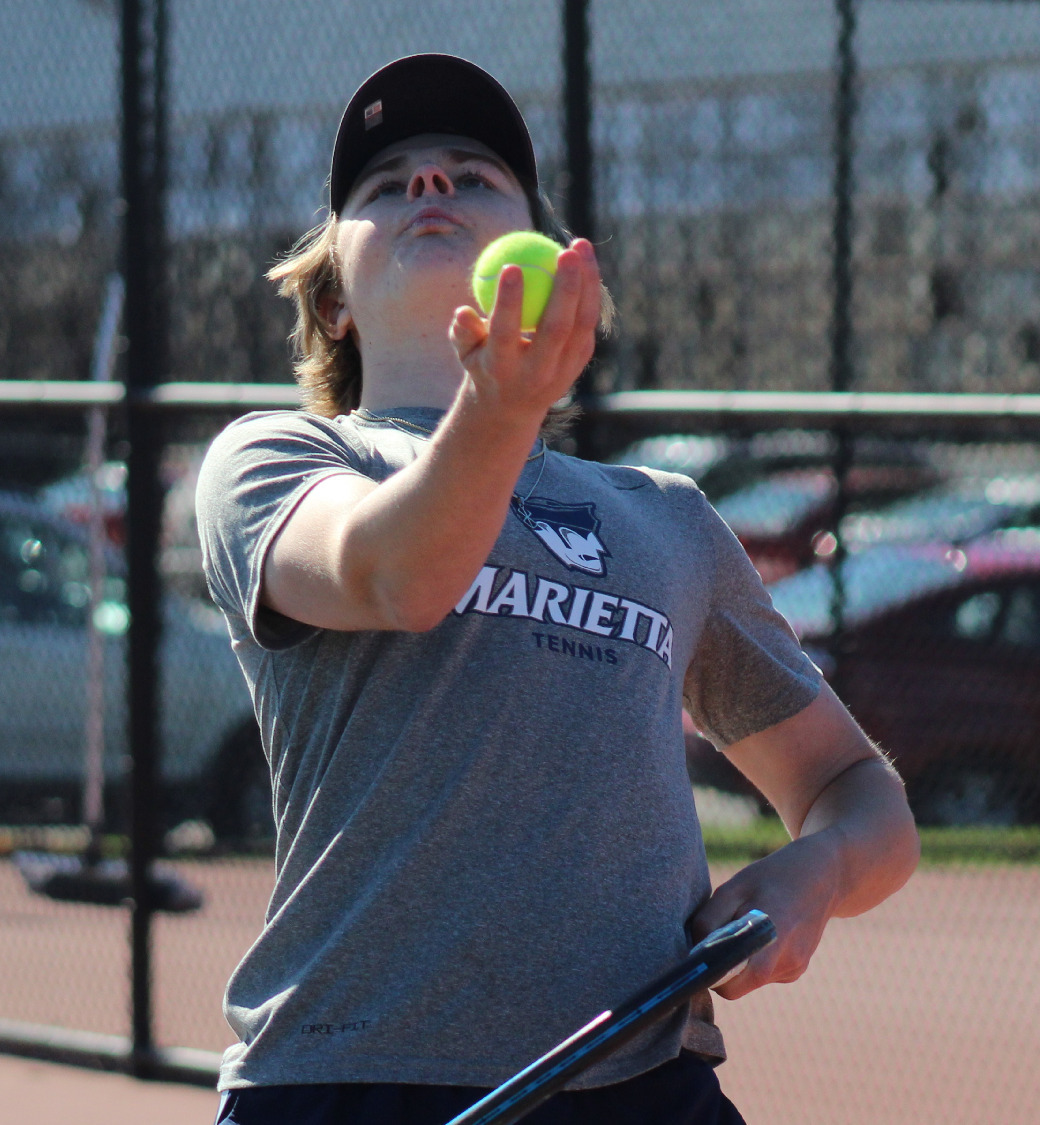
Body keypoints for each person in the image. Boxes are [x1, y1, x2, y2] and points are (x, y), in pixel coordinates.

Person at [195, 54, 919, 1125]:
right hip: (345, 1083)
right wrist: (497, 413)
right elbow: (398, 574)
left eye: (473, 175)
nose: (429, 184)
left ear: (543, 261)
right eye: (385, 181)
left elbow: (862, 799)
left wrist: (811, 873)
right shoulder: (279, 460)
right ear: (334, 299)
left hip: (643, 1084)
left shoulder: (663, 516)